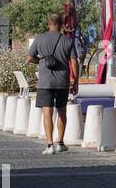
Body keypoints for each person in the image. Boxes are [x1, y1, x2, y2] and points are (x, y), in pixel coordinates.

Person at [28, 12, 79, 155]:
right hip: (62, 81)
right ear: (62, 24)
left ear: (48, 24)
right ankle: (60, 143)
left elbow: (30, 58)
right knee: (62, 111)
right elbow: (74, 62)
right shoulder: (68, 41)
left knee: (47, 113)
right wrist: (75, 81)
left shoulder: (39, 39)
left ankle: (49, 145)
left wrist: (42, 61)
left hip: (45, 81)